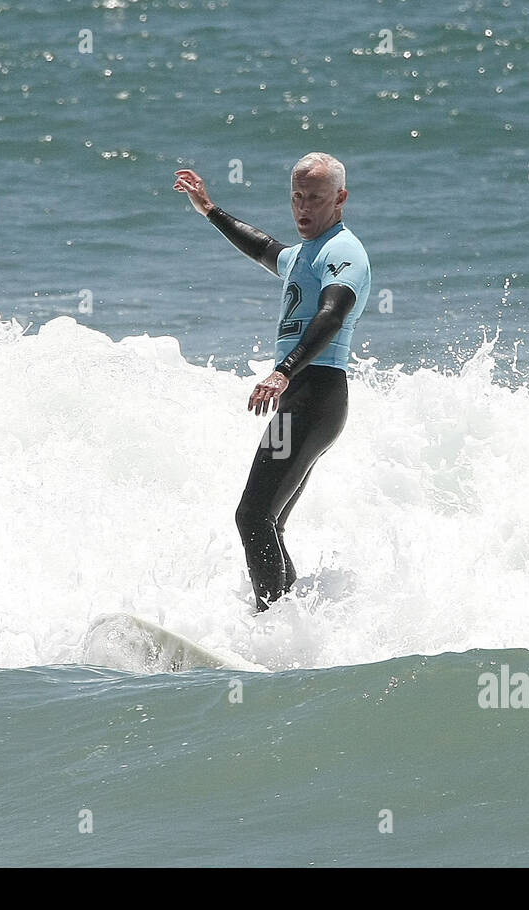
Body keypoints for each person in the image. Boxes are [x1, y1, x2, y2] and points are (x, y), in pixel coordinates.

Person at [173, 153, 371, 611]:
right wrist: (210, 209)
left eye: (316, 198)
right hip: (298, 400)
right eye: (297, 197)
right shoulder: (304, 253)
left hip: (315, 395)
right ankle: (293, 618)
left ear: (340, 199)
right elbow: (263, 247)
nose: (303, 208)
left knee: (252, 514)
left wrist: (284, 371)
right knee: (267, 519)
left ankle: (273, 622)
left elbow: (331, 315)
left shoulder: (344, 253)